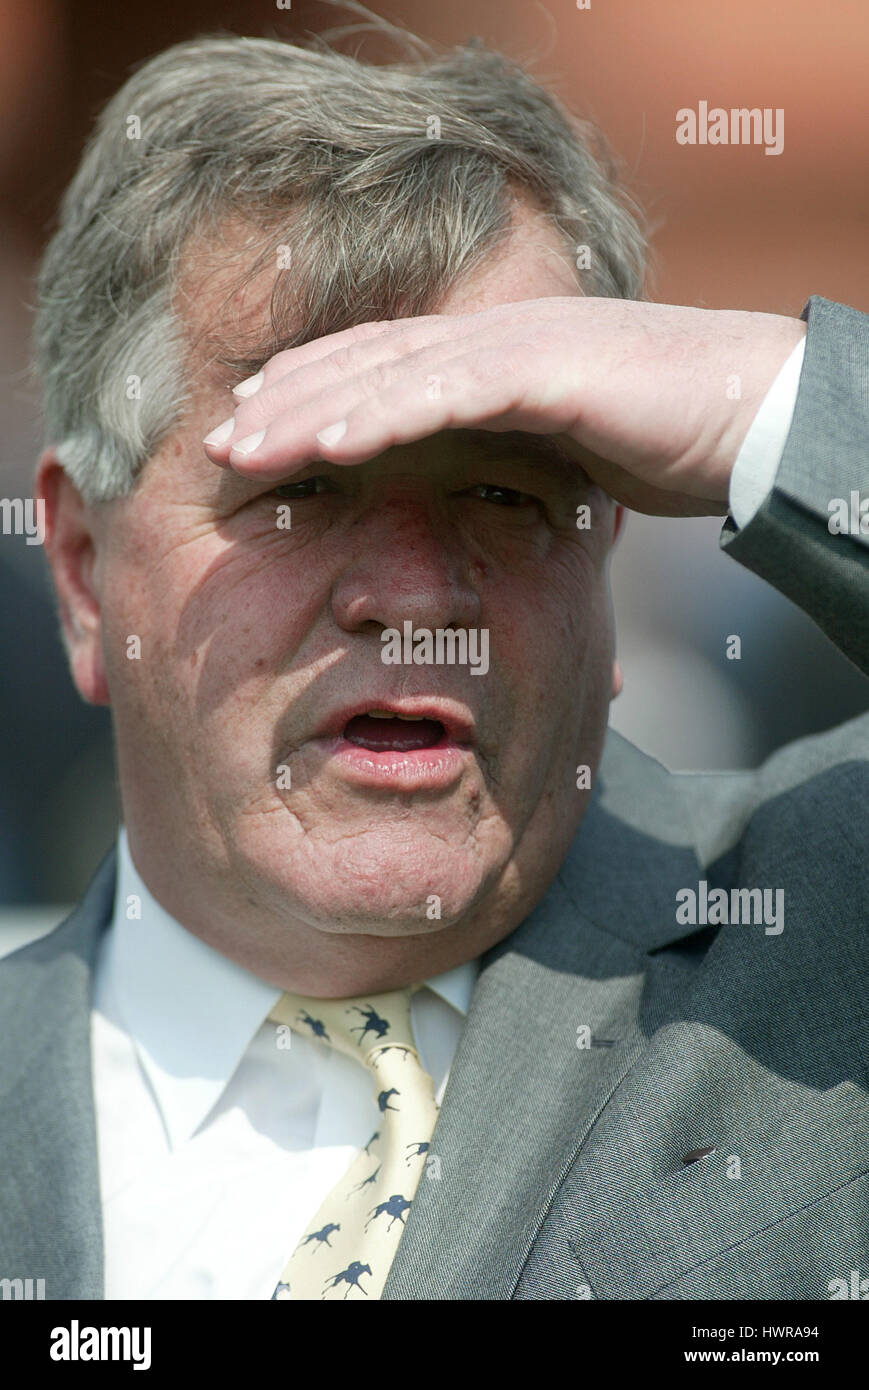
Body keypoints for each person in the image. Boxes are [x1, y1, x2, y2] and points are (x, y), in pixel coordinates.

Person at [1, 31, 866, 1302]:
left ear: (606, 556)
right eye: (298, 490)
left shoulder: (822, 941)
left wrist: (767, 404)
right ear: (79, 569)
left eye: (505, 491)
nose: (414, 597)